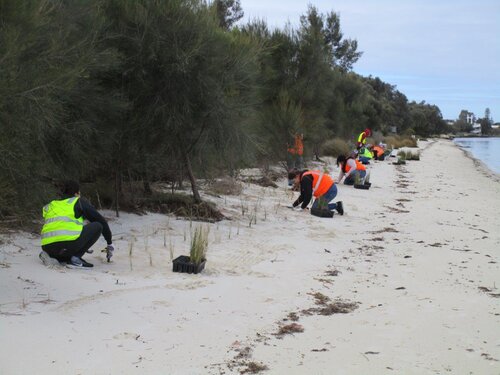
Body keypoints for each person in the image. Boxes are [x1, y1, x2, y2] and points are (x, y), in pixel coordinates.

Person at [39, 180, 114, 268]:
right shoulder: (77, 202)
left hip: (47, 247)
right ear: (77, 193)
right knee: (98, 226)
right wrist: (109, 243)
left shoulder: (51, 205)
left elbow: (58, 225)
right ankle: (75, 258)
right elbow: (101, 221)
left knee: (72, 231)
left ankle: (52, 257)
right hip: (65, 247)